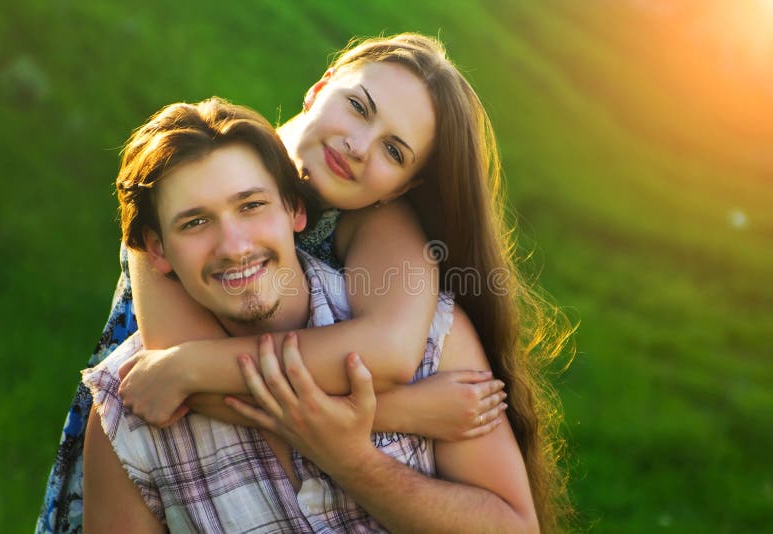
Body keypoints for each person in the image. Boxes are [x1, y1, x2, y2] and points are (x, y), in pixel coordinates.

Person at [37, 33, 572, 533]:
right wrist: (403, 411)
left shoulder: (381, 224)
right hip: (161, 443)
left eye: (394, 151)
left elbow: (388, 350)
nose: (360, 145)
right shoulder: (185, 176)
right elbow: (177, 388)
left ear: (405, 186)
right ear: (320, 86)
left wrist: (193, 370)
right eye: (359, 107)